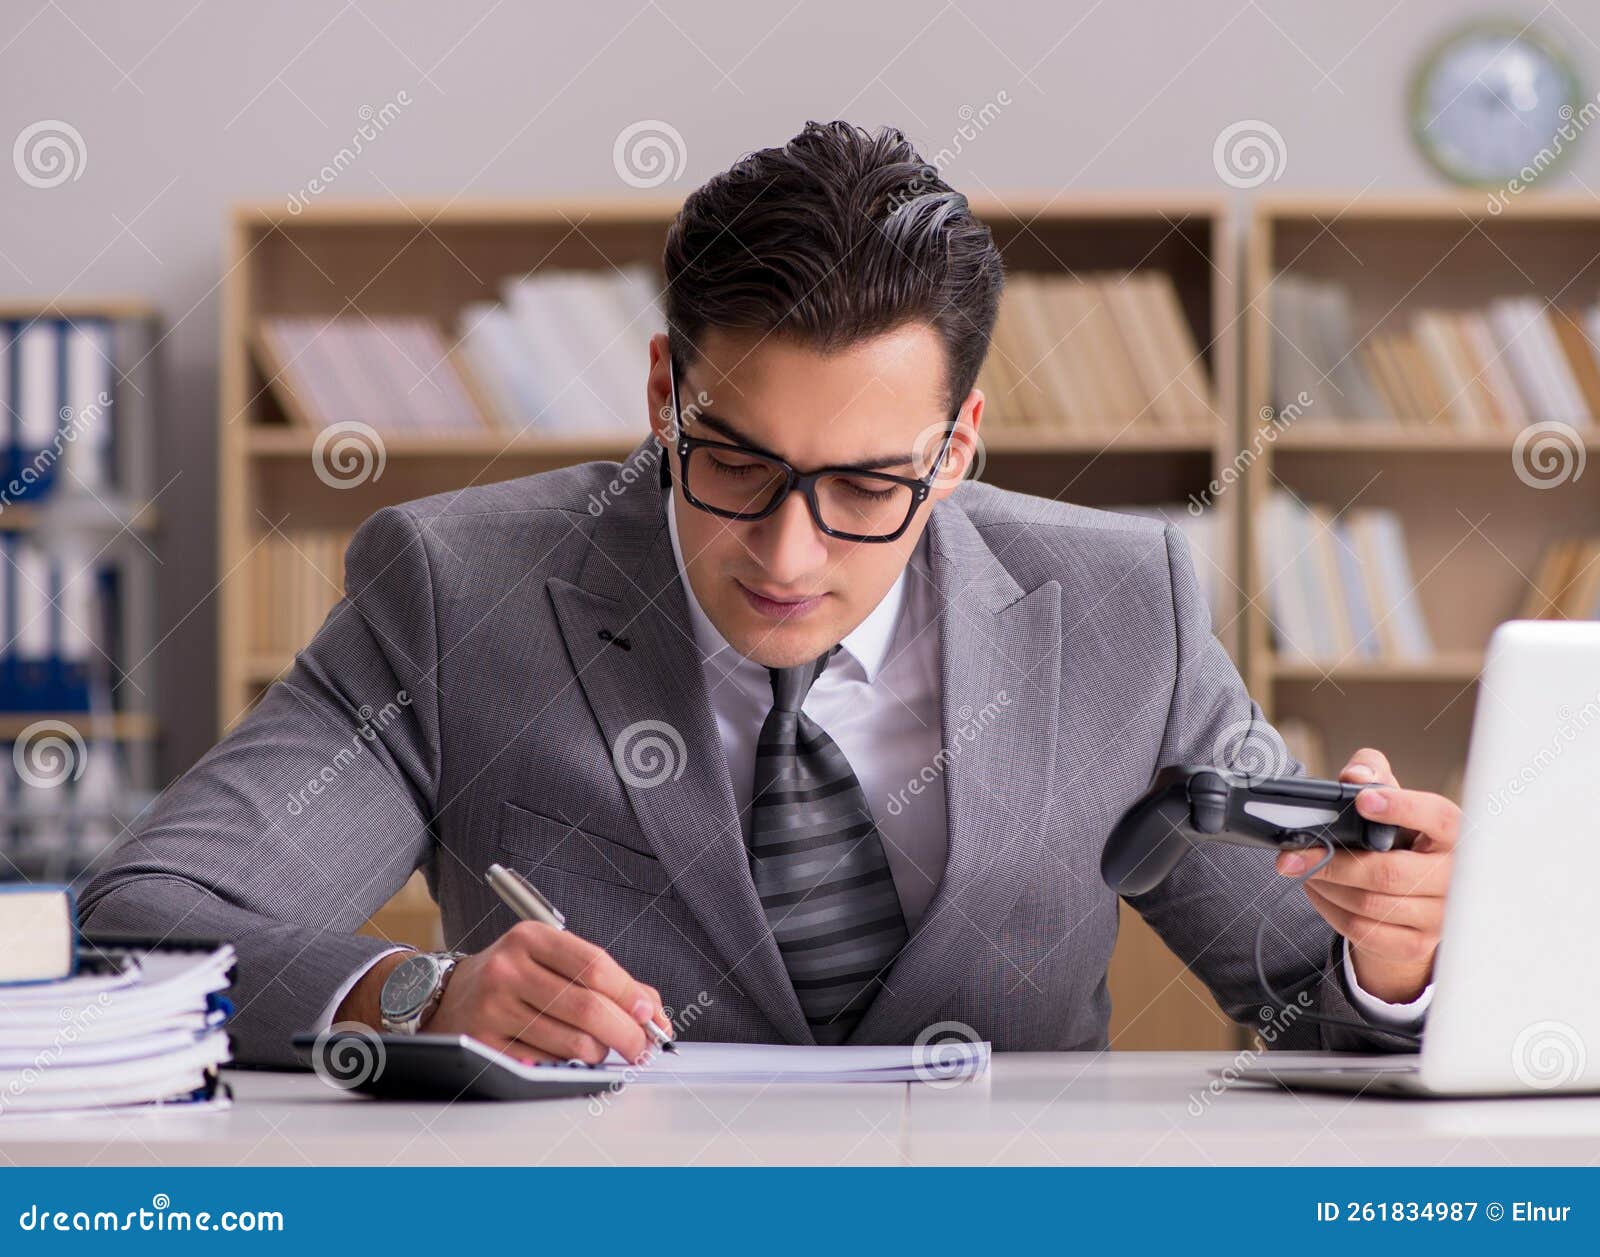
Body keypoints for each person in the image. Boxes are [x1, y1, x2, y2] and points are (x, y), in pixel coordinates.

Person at [81, 121, 1455, 1068]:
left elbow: (1304, 1003)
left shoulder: (1119, 609)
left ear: (960, 443)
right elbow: (152, 917)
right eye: (734, 463)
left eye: (869, 487)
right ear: (666, 394)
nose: (790, 557)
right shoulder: (457, 592)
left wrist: (1399, 954)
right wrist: (417, 992)